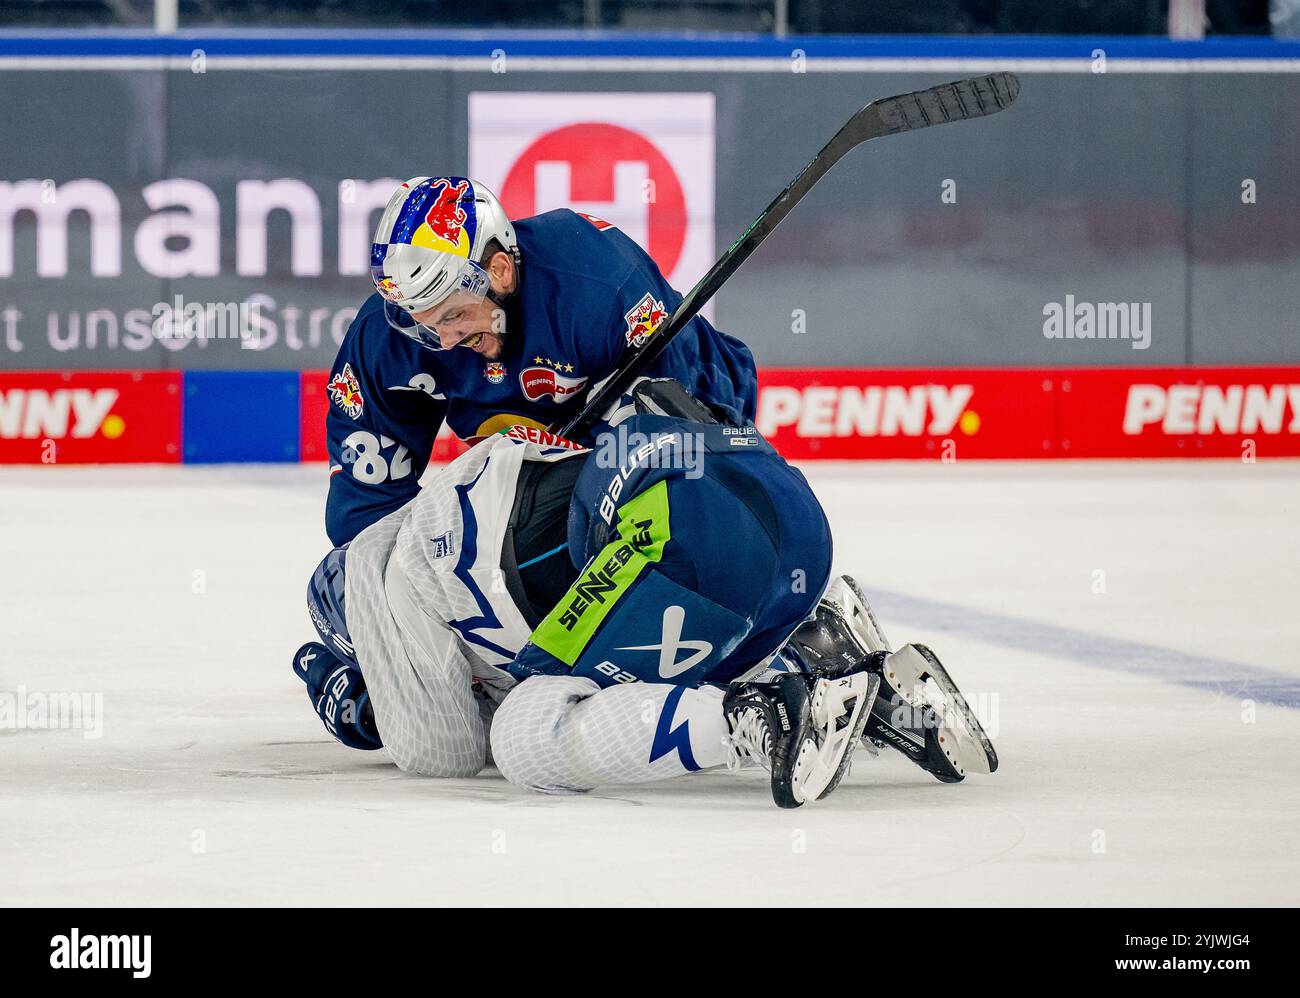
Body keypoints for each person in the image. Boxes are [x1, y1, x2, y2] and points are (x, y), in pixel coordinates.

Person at [293, 381, 997, 807]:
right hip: (786, 523)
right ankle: (835, 661)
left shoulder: (386, 584)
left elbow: (440, 755)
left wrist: (354, 703)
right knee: (630, 656)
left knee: (524, 735)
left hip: (670, 546)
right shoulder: (474, 471)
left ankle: (759, 717)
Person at [324, 175, 758, 546]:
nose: (444, 340)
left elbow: (695, 443)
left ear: (499, 270)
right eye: (424, 324)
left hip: (691, 409)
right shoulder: (389, 338)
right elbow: (365, 513)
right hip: (538, 457)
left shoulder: (598, 285)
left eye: (453, 315)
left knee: (689, 521)